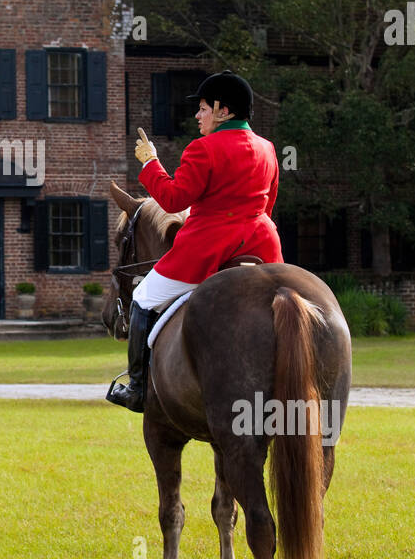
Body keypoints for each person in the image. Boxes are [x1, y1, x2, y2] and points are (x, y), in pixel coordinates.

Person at [107, 70, 283, 412]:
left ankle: (137, 388)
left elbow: (173, 200)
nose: (197, 115)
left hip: (208, 246)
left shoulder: (203, 148)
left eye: (203, 108)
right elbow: (268, 204)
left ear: (223, 111)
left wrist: (151, 163)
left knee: (142, 298)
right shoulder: (268, 149)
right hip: (263, 245)